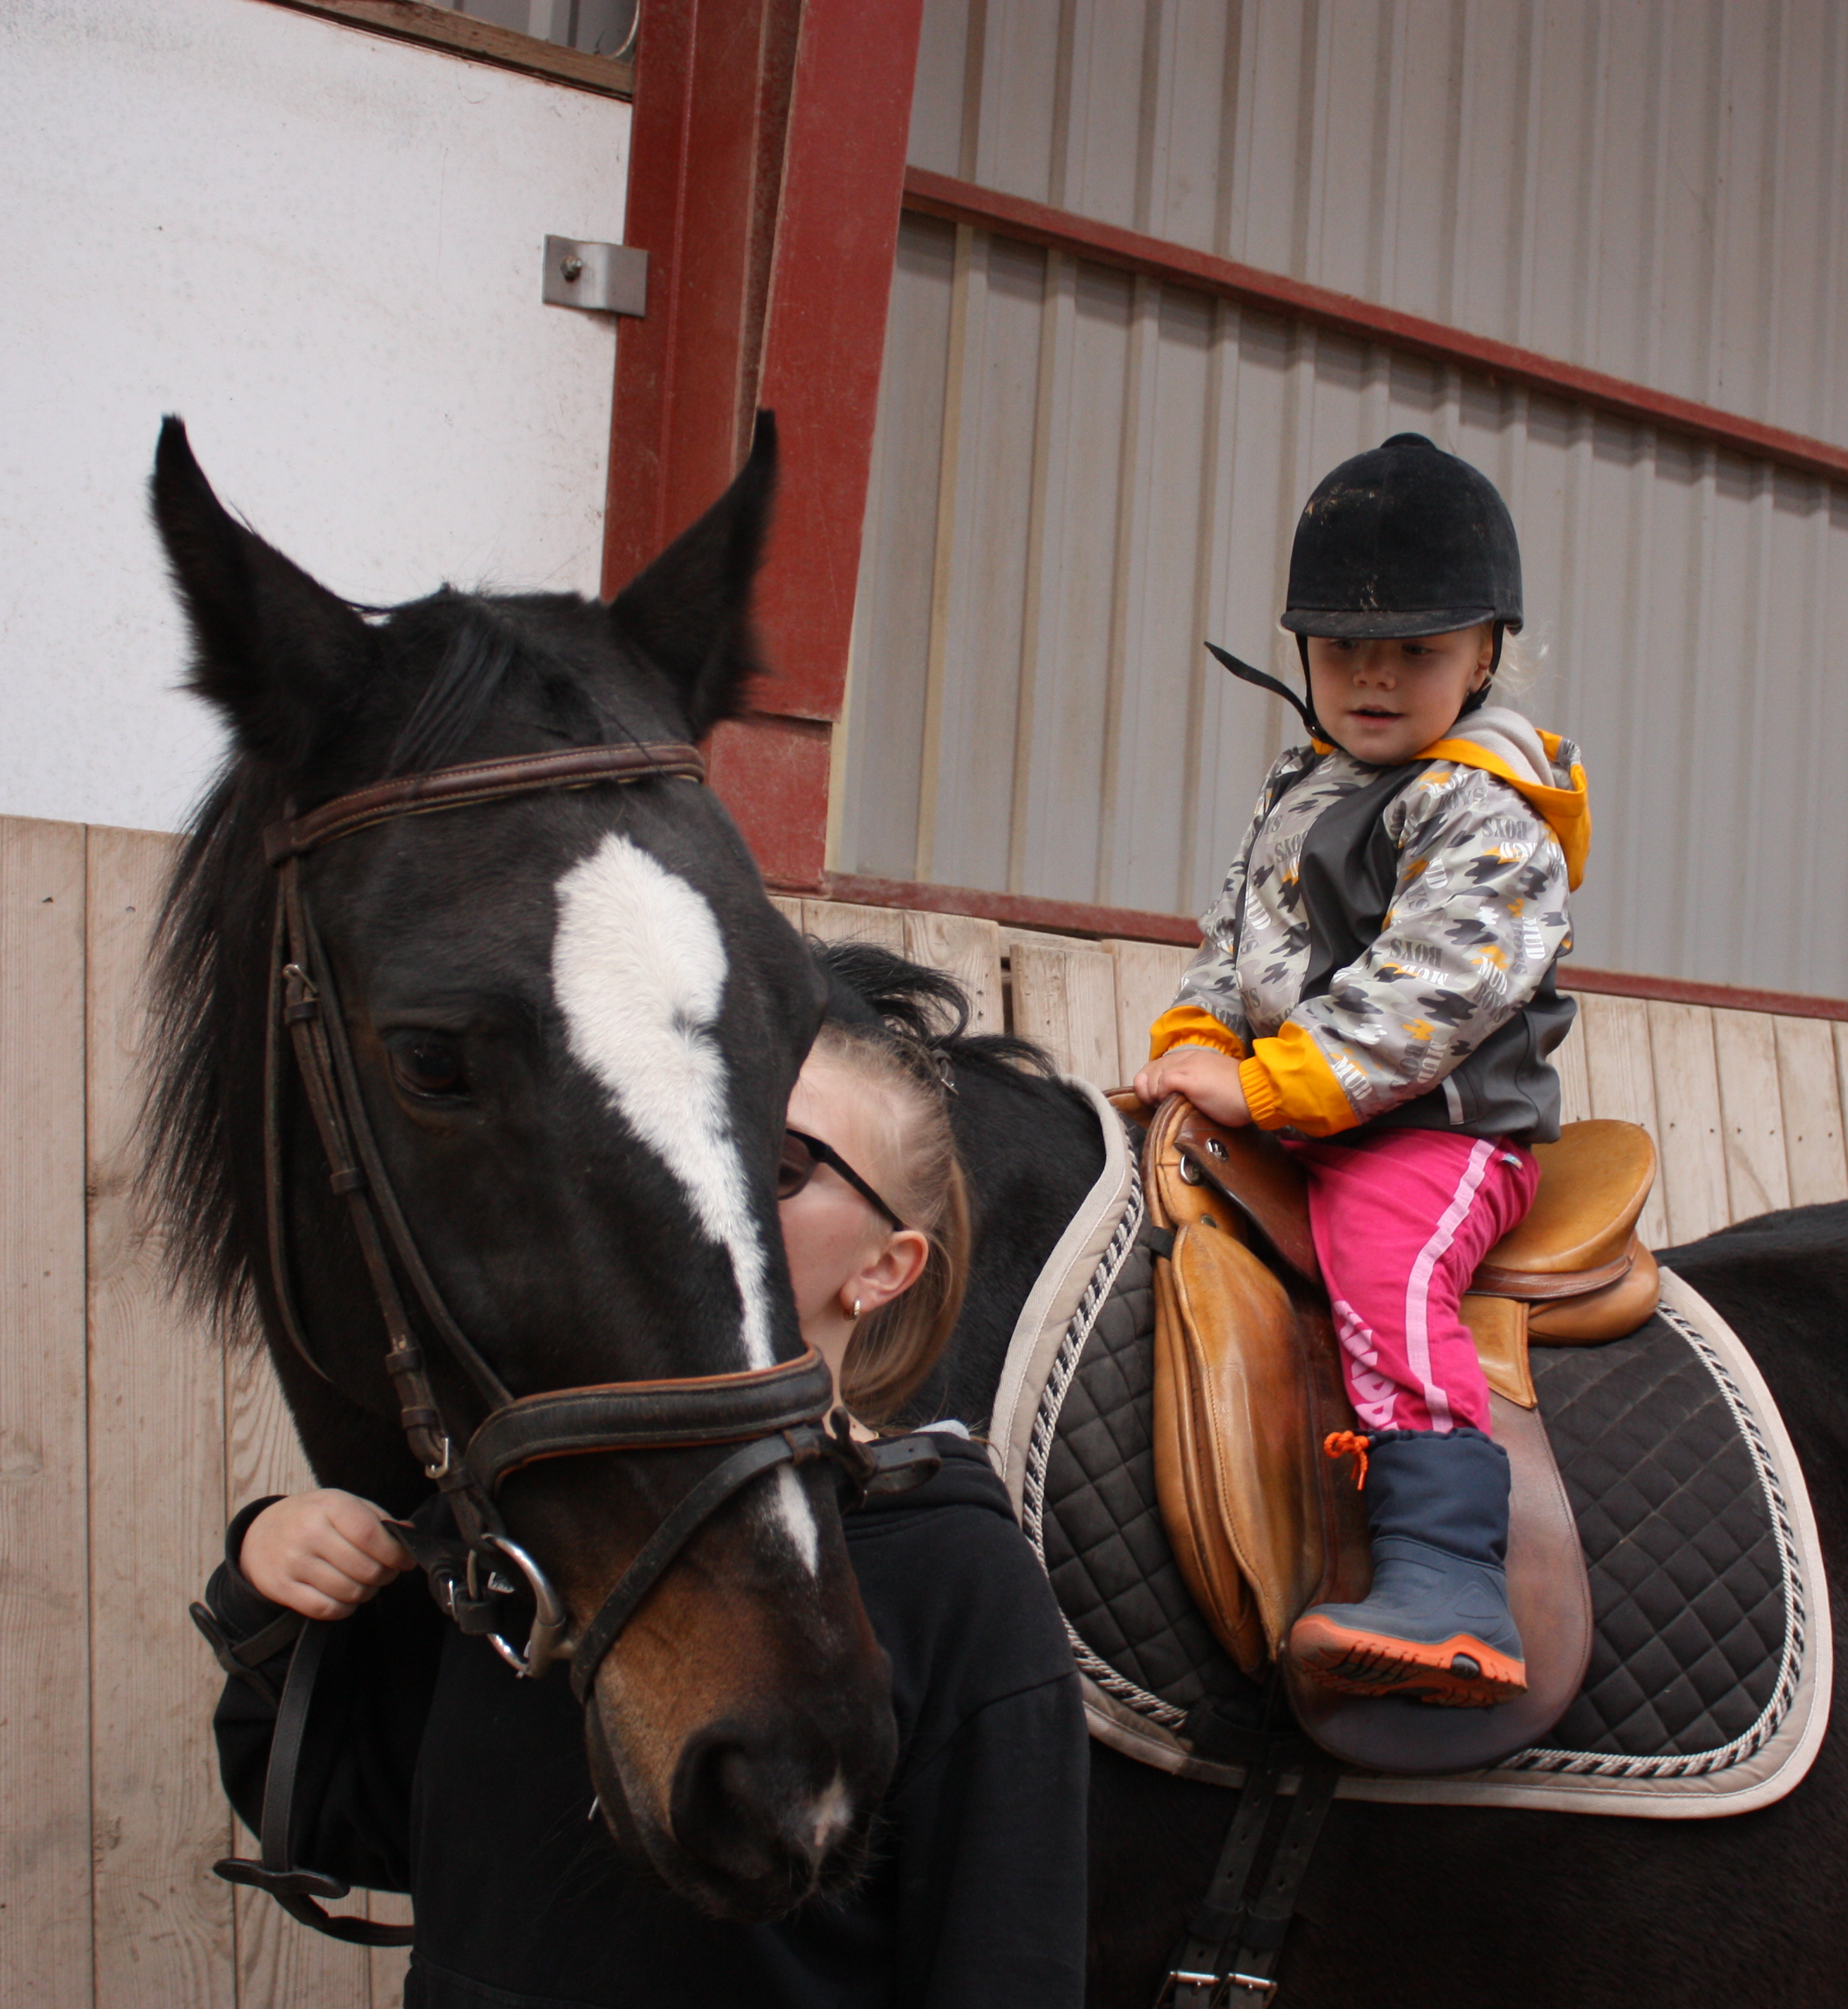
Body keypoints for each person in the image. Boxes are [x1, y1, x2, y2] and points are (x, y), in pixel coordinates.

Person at [193, 1009, 1089, 2008]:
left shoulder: (961, 1581)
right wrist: (277, 1596)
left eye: (783, 1164)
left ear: (886, 1267)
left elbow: (1005, 1966)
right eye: (706, 1140)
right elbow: (349, 1820)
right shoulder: (527, 1502)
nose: (716, 1182)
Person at [1131, 432, 1588, 1711]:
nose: (1374, 679)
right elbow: (1231, 945)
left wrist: (1275, 1087)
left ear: (1487, 653)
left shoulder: (1490, 810)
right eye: (1343, 653)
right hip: (1307, 1109)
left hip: (1436, 1130)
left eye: (1419, 654)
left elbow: (1436, 992)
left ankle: (1450, 1580)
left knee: (1382, 1264)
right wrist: (1195, 1046)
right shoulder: (1304, 784)